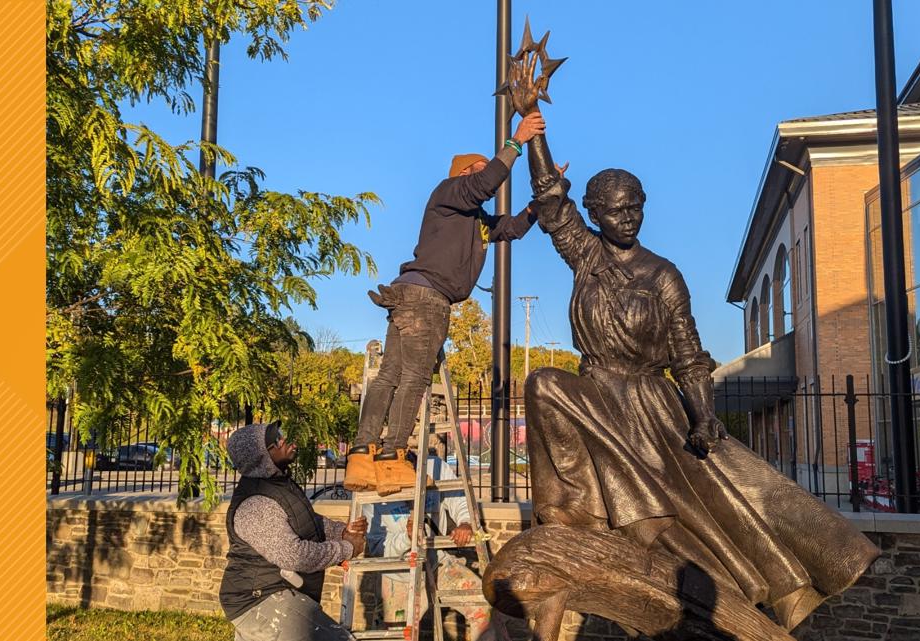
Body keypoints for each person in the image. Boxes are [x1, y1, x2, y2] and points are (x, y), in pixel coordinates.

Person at [520, 135, 881, 630]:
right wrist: (533, 130)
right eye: (616, 212)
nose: (627, 219)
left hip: (647, 403)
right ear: (596, 213)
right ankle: (573, 510)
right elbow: (551, 203)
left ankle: (741, 593)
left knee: (692, 513)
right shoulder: (587, 256)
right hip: (595, 391)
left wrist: (705, 415)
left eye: (635, 209)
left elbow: (688, 357)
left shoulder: (664, 275)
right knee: (542, 383)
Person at [345, 112, 547, 496]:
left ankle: (362, 451)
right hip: (426, 299)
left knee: (390, 375)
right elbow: (484, 186)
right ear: (462, 174)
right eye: (479, 168)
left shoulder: (475, 220)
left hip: (409, 294)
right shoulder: (449, 192)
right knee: (413, 379)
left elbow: (512, 227)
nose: (487, 173)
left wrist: (543, 199)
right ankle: (392, 457)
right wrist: (516, 142)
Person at [220, 421, 368, 641]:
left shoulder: (279, 485)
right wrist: (346, 549)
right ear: (261, 454)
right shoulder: (256, 503)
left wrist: (342, 532)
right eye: (276, 440)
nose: (286, 440)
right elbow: (294, 555)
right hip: (260, 598)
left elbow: (308, 523)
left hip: (271, 595)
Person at [364, 449, 504, 640]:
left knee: (482, 605)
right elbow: (377, 547)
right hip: (399, 576)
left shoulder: (434, 467)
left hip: (437, 563)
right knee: (393, 635)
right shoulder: (373, 489)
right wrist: (407, 537)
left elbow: (459, 499)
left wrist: (465, 522)